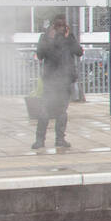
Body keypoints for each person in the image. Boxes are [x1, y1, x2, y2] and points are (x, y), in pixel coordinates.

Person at [34, 15, 82, 149]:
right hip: (52, 80)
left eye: (62, 25)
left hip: (64, 80)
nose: (61, 28)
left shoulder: (67, 38)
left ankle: (56, 139)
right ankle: (42, 140)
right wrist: (50, 39)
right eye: (59, 25)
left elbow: (78, 52)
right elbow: (40, 55)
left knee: (60, 111)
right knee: (47, 110)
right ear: (53, 26)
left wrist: (68, 38)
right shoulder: (46, 38)